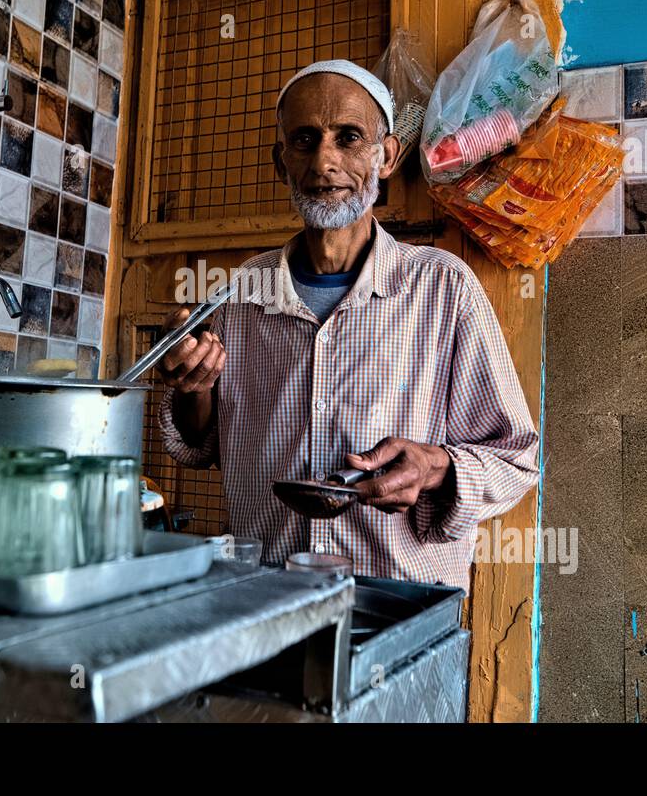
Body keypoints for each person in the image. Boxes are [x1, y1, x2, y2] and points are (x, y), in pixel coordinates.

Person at [157, 59, 539, 589]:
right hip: (266, 594)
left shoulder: (443, 288)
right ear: (280, 161)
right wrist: (191, 388)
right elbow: (202, 447)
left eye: (349, 137)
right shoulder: (243, 290)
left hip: (398, 601)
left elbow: (517, 461)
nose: (325, 161)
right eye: (305, 140)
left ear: (386, 156)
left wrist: (434, 467)